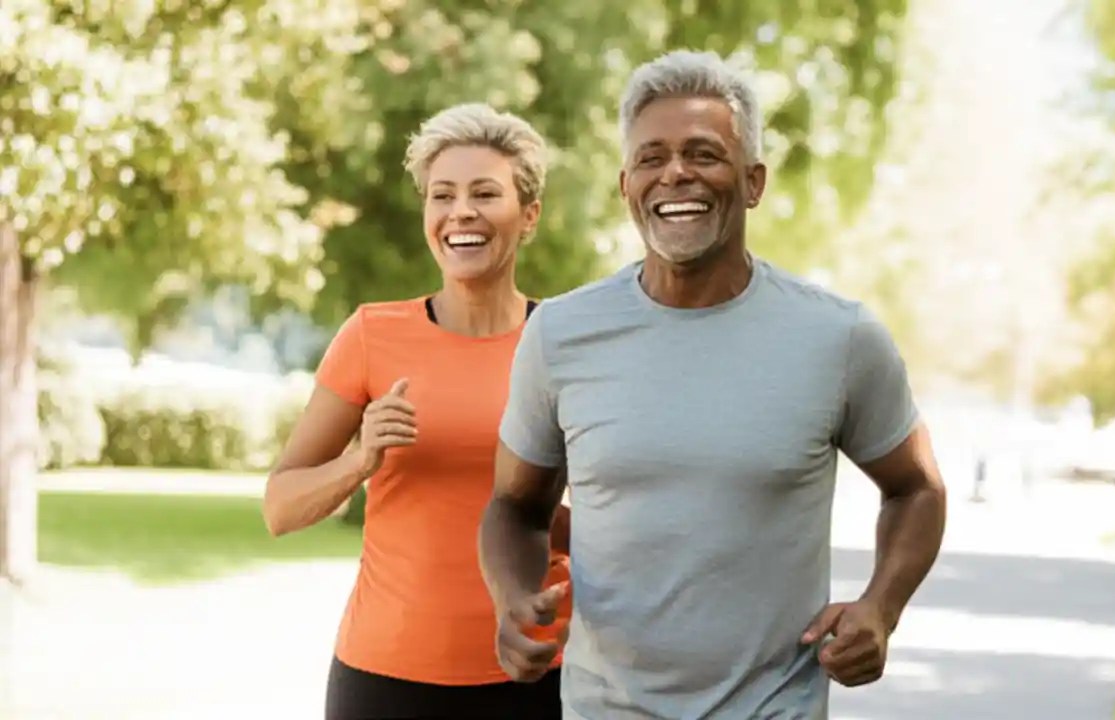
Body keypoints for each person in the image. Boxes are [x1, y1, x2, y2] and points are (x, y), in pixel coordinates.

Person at [478, 50, 947, 719]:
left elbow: (917, 486)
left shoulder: (837, 338)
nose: (675, 173)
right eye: (651, 157)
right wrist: (513, 600)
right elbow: (513, 509)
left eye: (703, 154)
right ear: (626, 185)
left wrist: (882, 607)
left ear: (753, 181)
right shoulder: (559, 334)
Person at [263, 103, 571, 720]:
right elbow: (280, 506)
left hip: (534, 671)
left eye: (486, 193)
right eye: (442, 195)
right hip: (385, 678)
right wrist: (360, 461)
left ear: (529, 215)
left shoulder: (565, 340)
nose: (461, 211)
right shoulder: (372, 335)